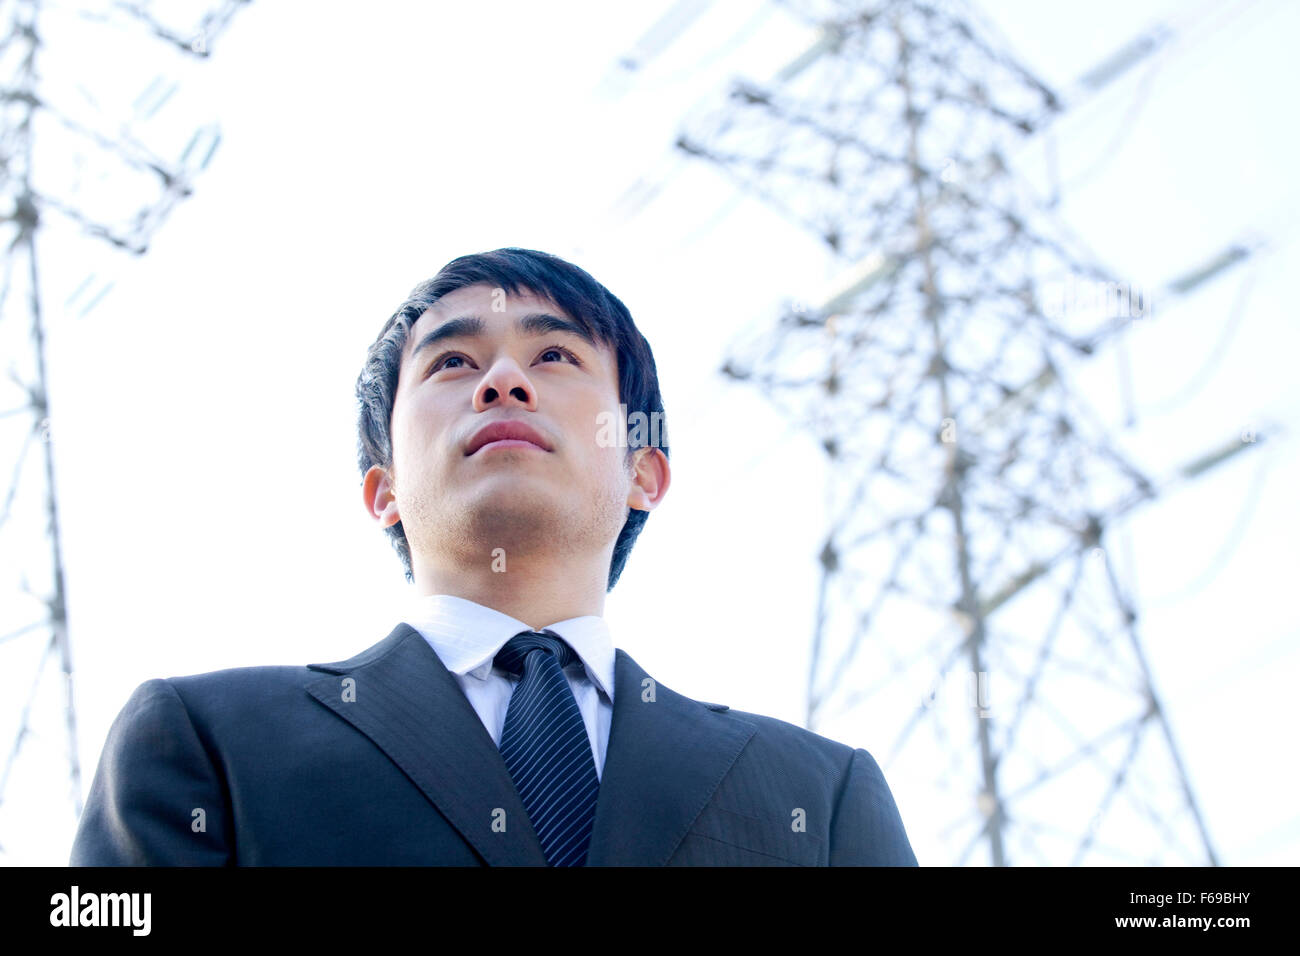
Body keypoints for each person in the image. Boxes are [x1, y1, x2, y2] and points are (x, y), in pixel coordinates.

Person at [70, 247, 917, 866]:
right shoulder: (207, 746)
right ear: (384, 492)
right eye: (452, 361)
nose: (501, 382)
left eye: (555, 355)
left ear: (644, 471)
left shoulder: (820, 795)